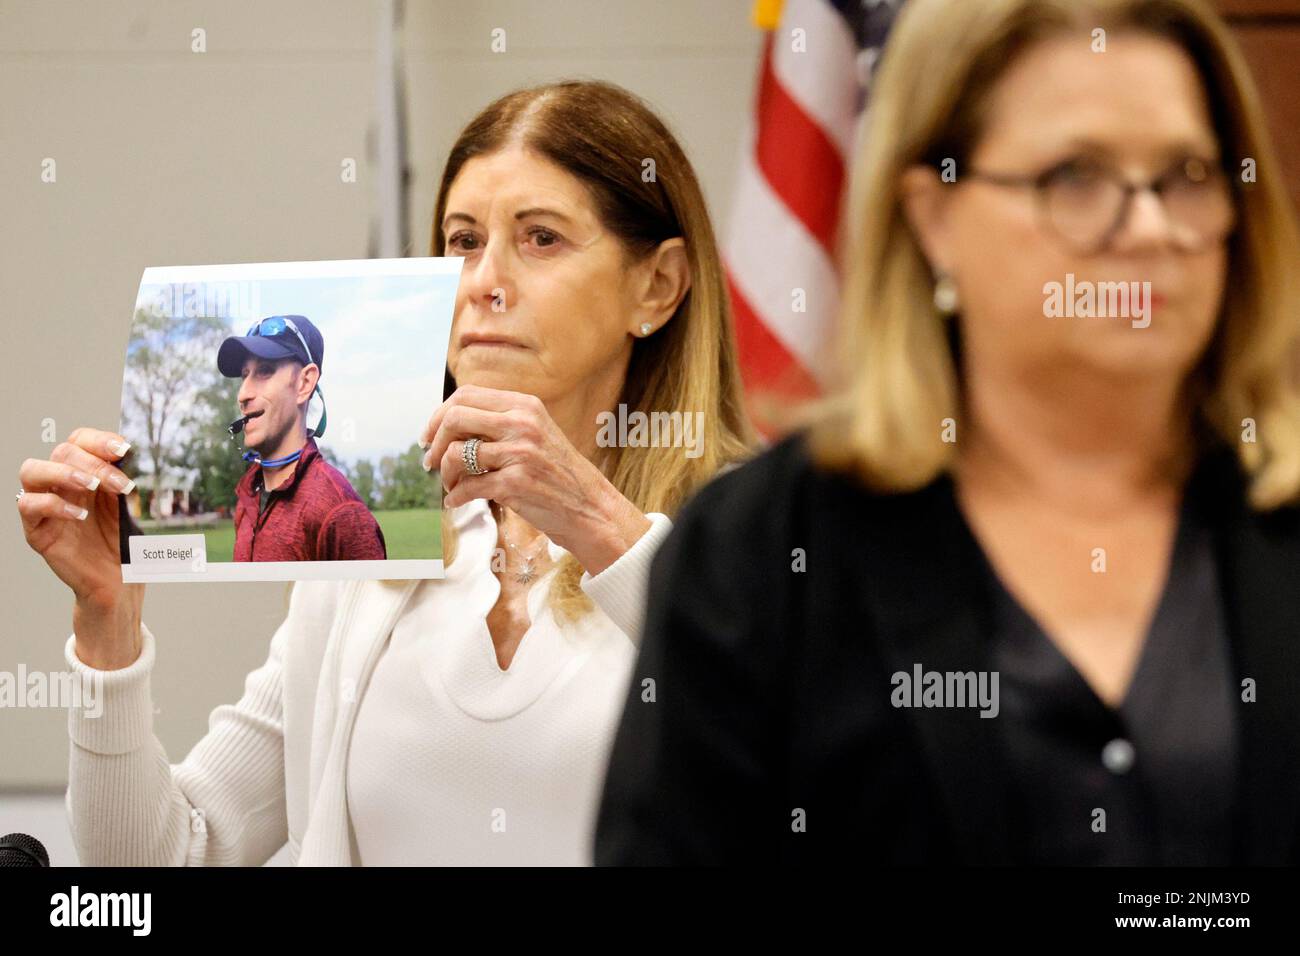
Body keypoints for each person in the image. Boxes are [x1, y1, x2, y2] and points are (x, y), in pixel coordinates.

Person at [595, 0, 1300, 865]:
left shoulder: (1279, 519)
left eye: (1188, 175)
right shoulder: (762, 554)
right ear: (933, 216)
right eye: (1076, 176)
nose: (1151, 228)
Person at [17, 79, 752, 865]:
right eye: (463, 241)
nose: (482, 282)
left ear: (659, 285)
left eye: (540, 238)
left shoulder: (756, 528)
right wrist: (108, 627)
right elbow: (162, 861)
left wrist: (602, 528)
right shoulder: (376, 550)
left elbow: (797, 768)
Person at [218, 313, 387, 562]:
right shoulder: (248, 496)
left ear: (305, 383)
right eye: (245, 375)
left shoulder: (339, 512)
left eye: (264, 371)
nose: (243, 394)